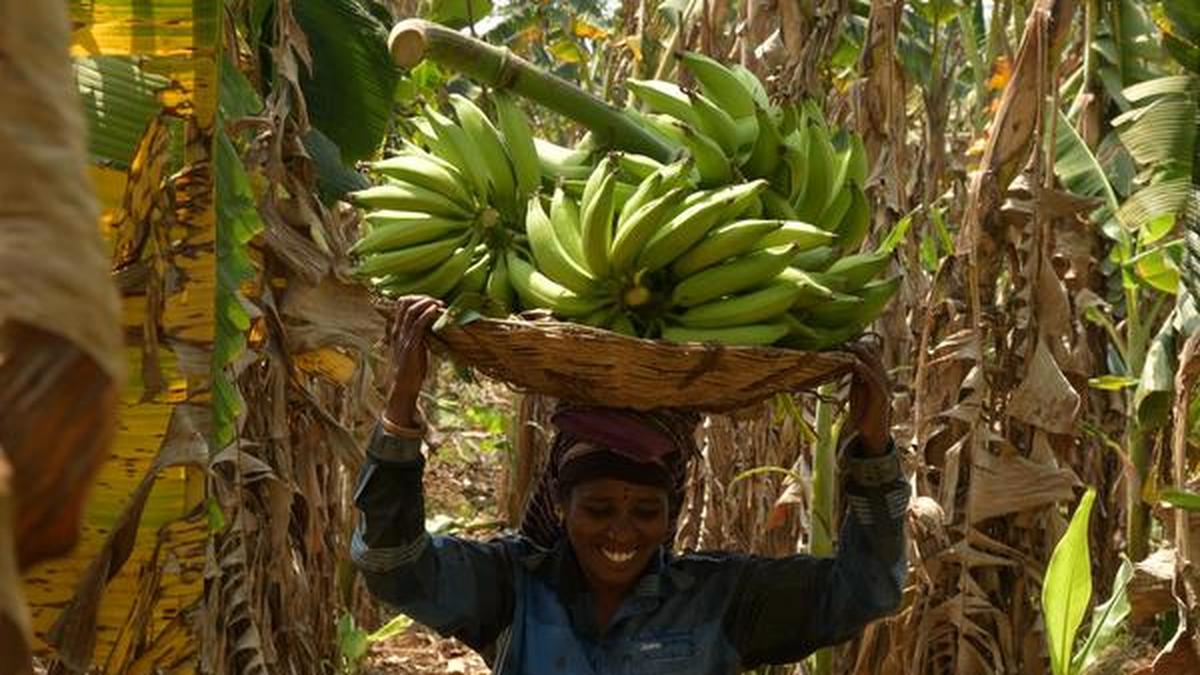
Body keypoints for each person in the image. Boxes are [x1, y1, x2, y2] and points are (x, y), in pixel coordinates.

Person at [352, 295, 907, 674]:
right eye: (598, 507)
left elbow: (866, 591)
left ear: (672, 512)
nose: (622, 531)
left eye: (645, 509)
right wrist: (401, 411)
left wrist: (875, 449)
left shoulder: (720, 601)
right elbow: (393, 568)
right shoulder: (511, 590)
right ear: (562, 506)